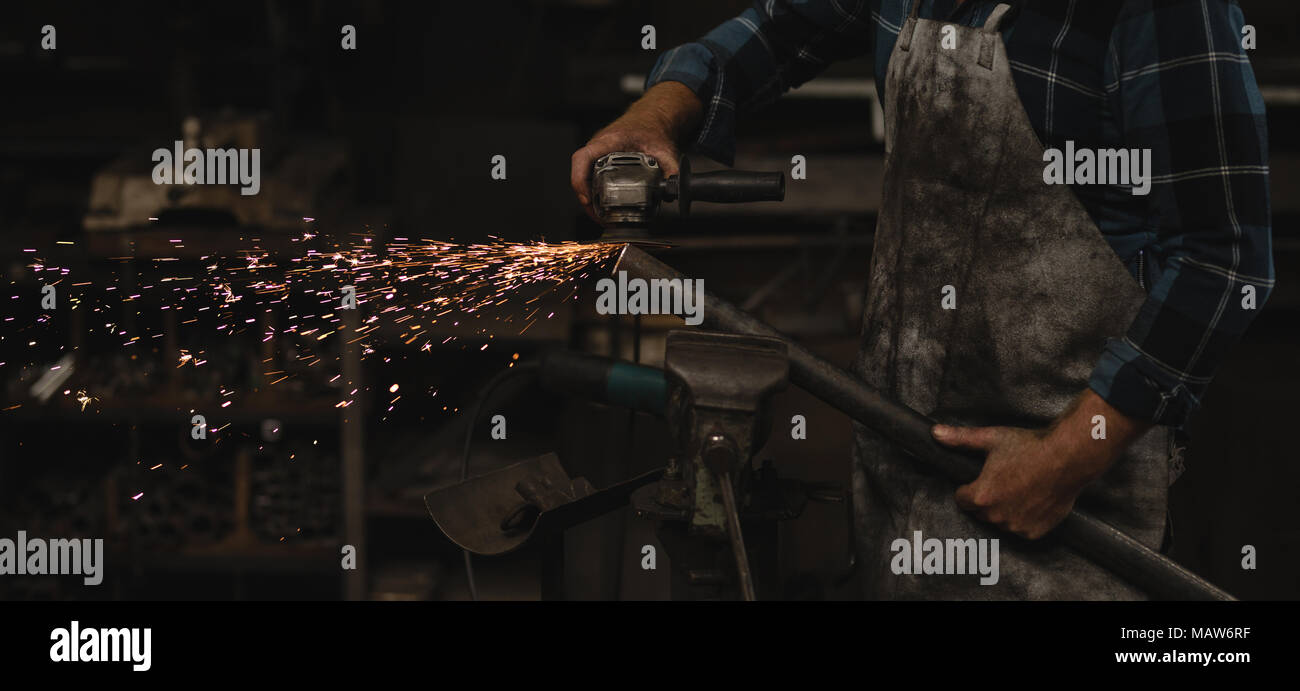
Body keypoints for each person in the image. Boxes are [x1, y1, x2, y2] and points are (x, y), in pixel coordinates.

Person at [570, 0, 1273, 599]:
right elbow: (780, 28)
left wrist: (1066, 458)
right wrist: (659, 112)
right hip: (895, 485)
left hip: (1067, 522)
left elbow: (1224, 260)